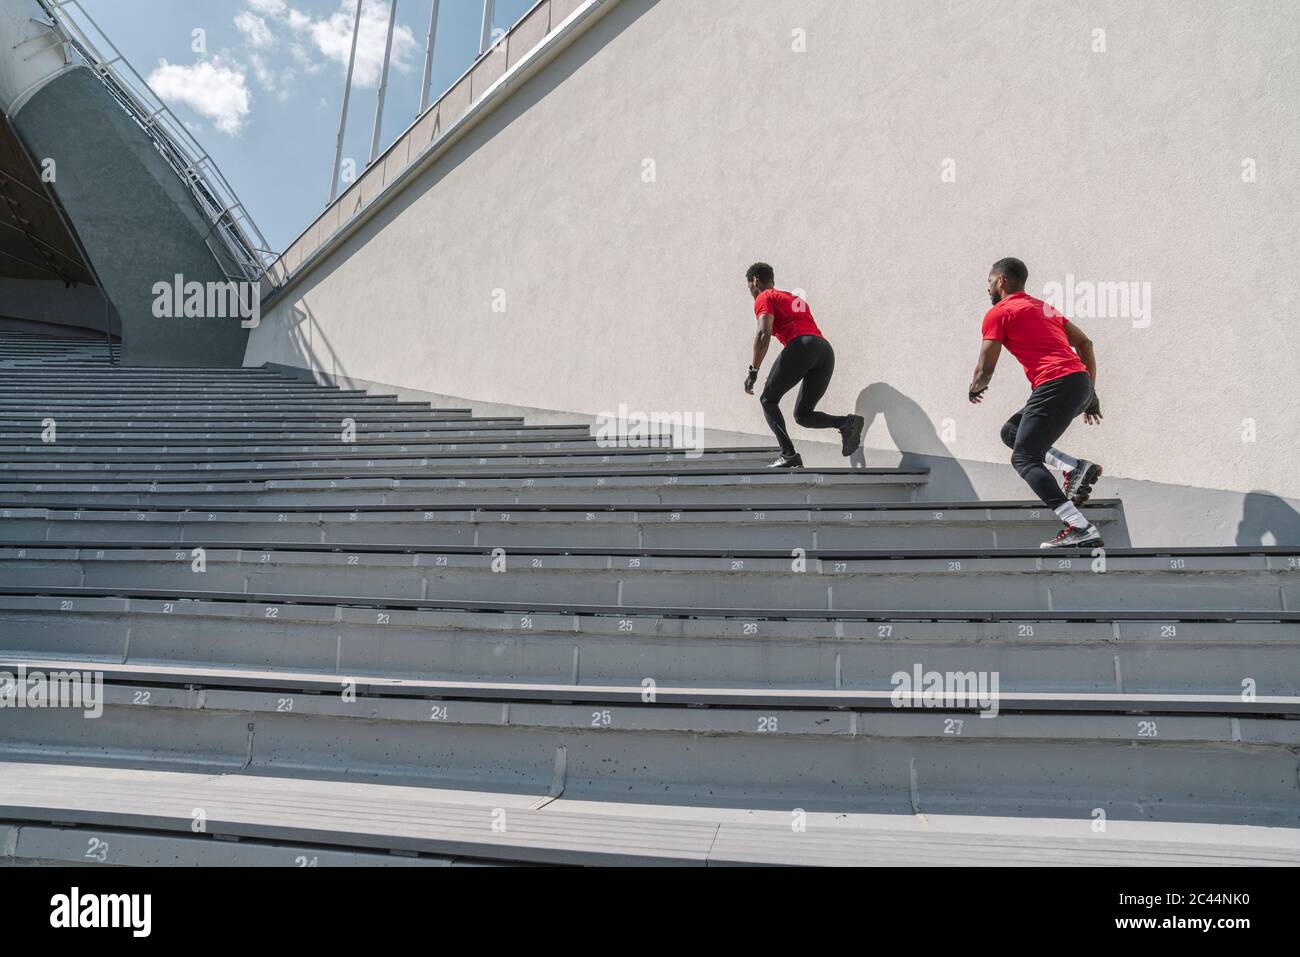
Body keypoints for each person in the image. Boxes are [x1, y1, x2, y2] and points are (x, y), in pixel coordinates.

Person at [968, 257, 1105, 548]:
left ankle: (1079, 527)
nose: (988, 288)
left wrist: (975, 388)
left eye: (989, 281)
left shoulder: (998, 312)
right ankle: (1073, 468)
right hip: (1078, 383)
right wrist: (1090, 393)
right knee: (1010, 433)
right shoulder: (1044, 307)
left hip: (1055, 384)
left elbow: (985, 368)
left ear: (1001, 281)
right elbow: (1086, 344)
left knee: (1024, 458)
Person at [743, 263, 865, 468]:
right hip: (824, 351)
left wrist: (753, 371)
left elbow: (763, 333)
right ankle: (845, 423)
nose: (751, 293)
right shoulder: (793, 299)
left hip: (802, 346)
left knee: (767, 400)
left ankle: (788, 454)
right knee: (803, 415)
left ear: (755, 281)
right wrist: (778, 373)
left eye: (749, 287)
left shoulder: (764, 296)